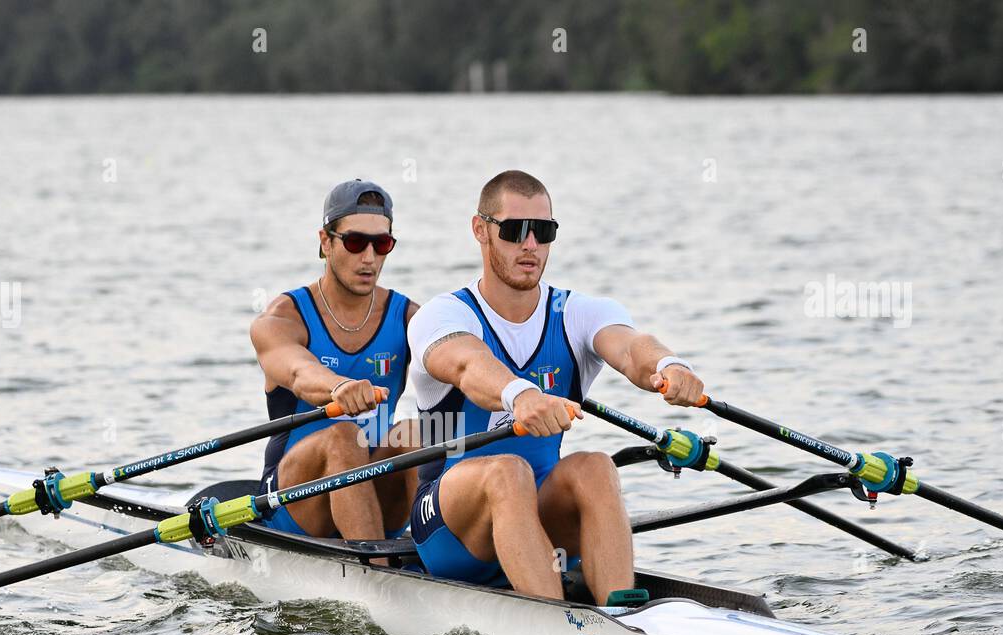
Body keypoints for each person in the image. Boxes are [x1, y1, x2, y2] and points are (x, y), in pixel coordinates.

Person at [407, 170, 705, 604]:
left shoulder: (577, 311)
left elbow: (629, 347)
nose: (530, 245)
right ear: (480, 231)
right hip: (449, 531)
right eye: (514, 231)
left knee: (596, 466)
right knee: (507, 470)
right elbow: (469, 365)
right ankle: (557, 625)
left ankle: (624, 616)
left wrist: (668, 364)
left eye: (543, 232)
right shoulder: (442, 315)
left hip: (537, 516)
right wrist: (519, 394)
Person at [250, 179, 420, 541]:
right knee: (344, 435)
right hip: (292, 502)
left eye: (382, 244)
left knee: (418, 432)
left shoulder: (409, 317)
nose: (370, 258)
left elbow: (461, 359)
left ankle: (439, 558)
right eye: (356, 242)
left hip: (373, 491)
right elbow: (298, 372)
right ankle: (377, 571)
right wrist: (340, 387)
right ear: (326, 242)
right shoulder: (284, 317)